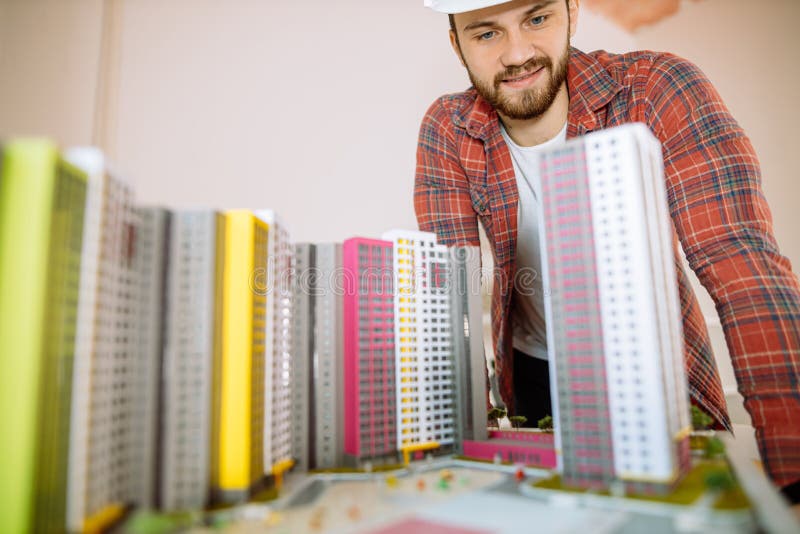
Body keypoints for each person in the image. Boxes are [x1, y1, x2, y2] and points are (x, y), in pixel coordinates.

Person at [414, 0, 800, 504]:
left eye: (537, 18)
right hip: (532, 378)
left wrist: (794, 462)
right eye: (486, 34)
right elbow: (448, 302)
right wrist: (461, 448)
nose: (518, 54)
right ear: (457, 44)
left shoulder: (656, 87)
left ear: (572, 11)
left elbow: (740, 263)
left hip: (654, 377)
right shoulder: (448, 126)